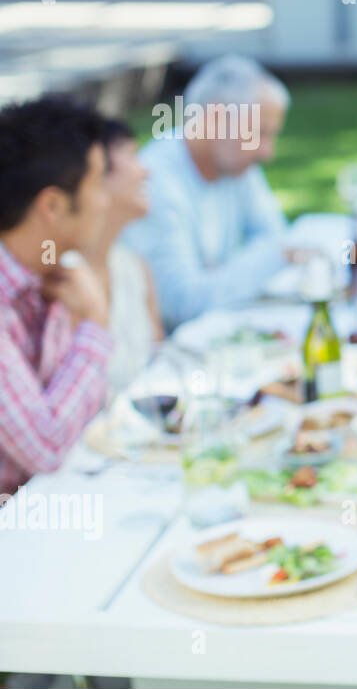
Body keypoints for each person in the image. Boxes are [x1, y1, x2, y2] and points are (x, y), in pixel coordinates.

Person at [122, 55, 291, 330]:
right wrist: (275, 258)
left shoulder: (236, 164)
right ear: (215, 119)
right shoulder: (156, 181)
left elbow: (277, 235)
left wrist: (223, 275)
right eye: (259, 133)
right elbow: (182, 305)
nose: (267, 152)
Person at [0, 95, 114, 498]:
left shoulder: (47, 274)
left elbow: (81, 418)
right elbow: (46, 446)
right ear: (52, 204)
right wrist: (95, 325)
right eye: (100, 182)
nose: (107, 200)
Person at [77, 118, 163, 397]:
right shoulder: (62, 281)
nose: (146, 171)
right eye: (130, 154)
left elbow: (161, 368)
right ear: (94, 171)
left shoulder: (135, 267)